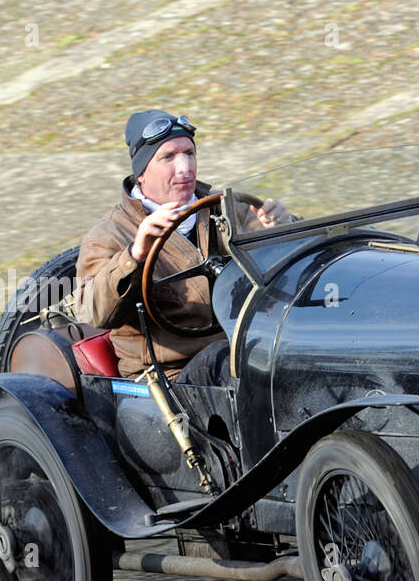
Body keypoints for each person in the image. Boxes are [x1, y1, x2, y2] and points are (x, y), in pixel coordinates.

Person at [74, 109, 288, 383]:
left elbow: (284, 272)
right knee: (236, 363)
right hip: (169, 374)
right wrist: (134, 255)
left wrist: (282, 228)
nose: (185, 168)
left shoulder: (228, 208)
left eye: (189, 153)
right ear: (140, 173)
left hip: (245, 343)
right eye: (168, 157)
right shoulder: (109, 234)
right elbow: (94, 312)